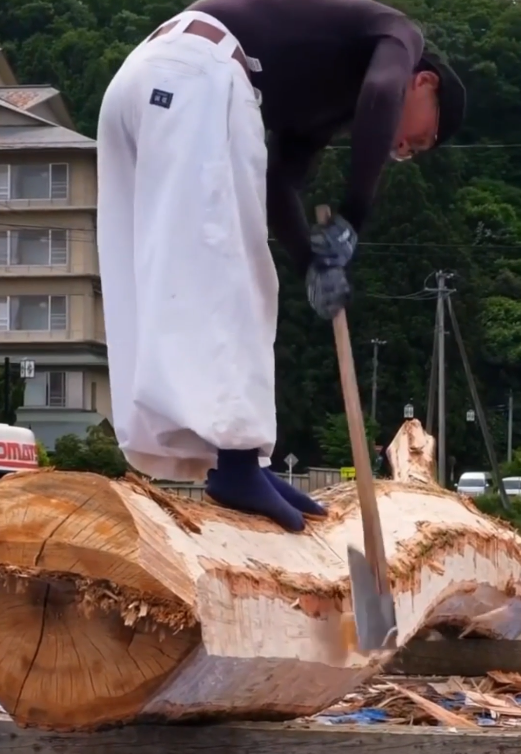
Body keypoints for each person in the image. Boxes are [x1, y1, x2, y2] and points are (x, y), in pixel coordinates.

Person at [96, 0, 465, 533]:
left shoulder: (316, 103)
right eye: (422, 138)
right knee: (238, 275)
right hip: (201, 74)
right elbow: (383, 93)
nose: (404, 147)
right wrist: (352, 220)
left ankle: (234, 462)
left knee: (164, 268)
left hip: (144, 77)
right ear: (424, 82)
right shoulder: (400, 37)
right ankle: (239, 465)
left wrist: (312, 264)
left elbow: (280, 185)